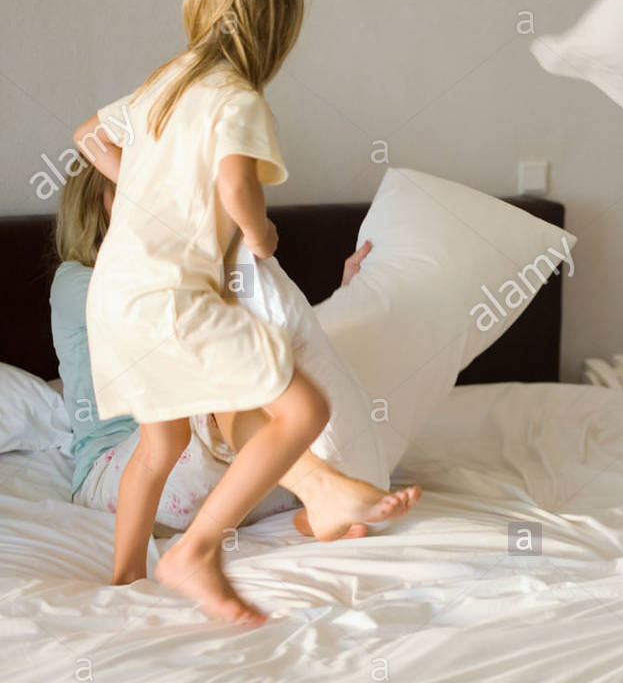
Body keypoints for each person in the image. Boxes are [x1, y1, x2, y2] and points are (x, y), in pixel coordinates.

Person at [73, 0, 414, 624]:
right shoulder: (238, 99)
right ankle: (196, 549)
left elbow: (87, 136)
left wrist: (147, 194)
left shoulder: (164, 83)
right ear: (278, 23)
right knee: (303, 410)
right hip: (171, 301)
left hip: (115, 299)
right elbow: (236, 186)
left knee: (158, 444)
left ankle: (123, 577)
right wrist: (260, 233)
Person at [50, 164, 398, 541]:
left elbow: (271, 330)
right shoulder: (75, 279)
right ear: (91, 206)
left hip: (224, 481)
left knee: (286, 382)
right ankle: (318, 488)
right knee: (224, 377)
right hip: (119, 479)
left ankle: (316, 507)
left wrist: (346, 301)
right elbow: (177, 315)